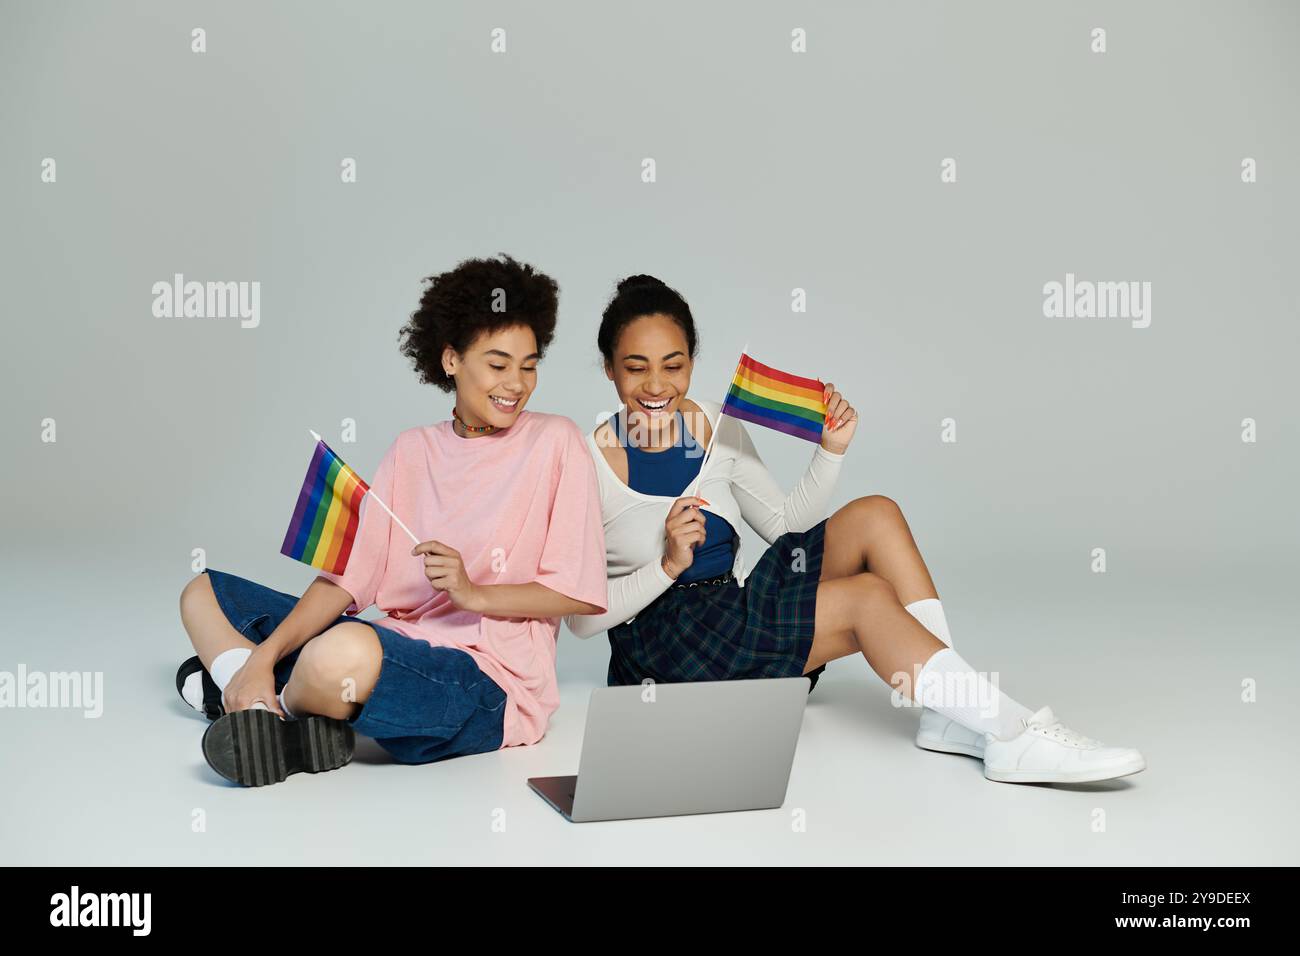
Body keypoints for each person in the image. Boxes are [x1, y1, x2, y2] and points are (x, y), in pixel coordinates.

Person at [564, 273, 1146, 785]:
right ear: (609, 369)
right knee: (866, 599)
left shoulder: (717, 426)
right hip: (664, 648)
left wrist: (830, 450)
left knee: (876, 512)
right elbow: (582, 621)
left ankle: (947, 712)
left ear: (692, 360)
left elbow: (786, 526)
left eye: (674, 365)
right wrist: (667, 564)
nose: (656, 386)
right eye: (635, 367)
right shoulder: (588, 460)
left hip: (730, 607)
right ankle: (1010, 729)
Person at [176, 254, 608, 786]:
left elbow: (578, 591)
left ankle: (257, 704)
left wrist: (473, 594)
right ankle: (257, 694)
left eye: (530, 364)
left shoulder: (556, 441)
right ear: (451, 359)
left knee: (339, 654)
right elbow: (348, 581)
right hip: (393, 646)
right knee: (204, 593)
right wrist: (264, 656)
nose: (516, 383)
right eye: (498, 364)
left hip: (487, 682)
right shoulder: (412, 450)